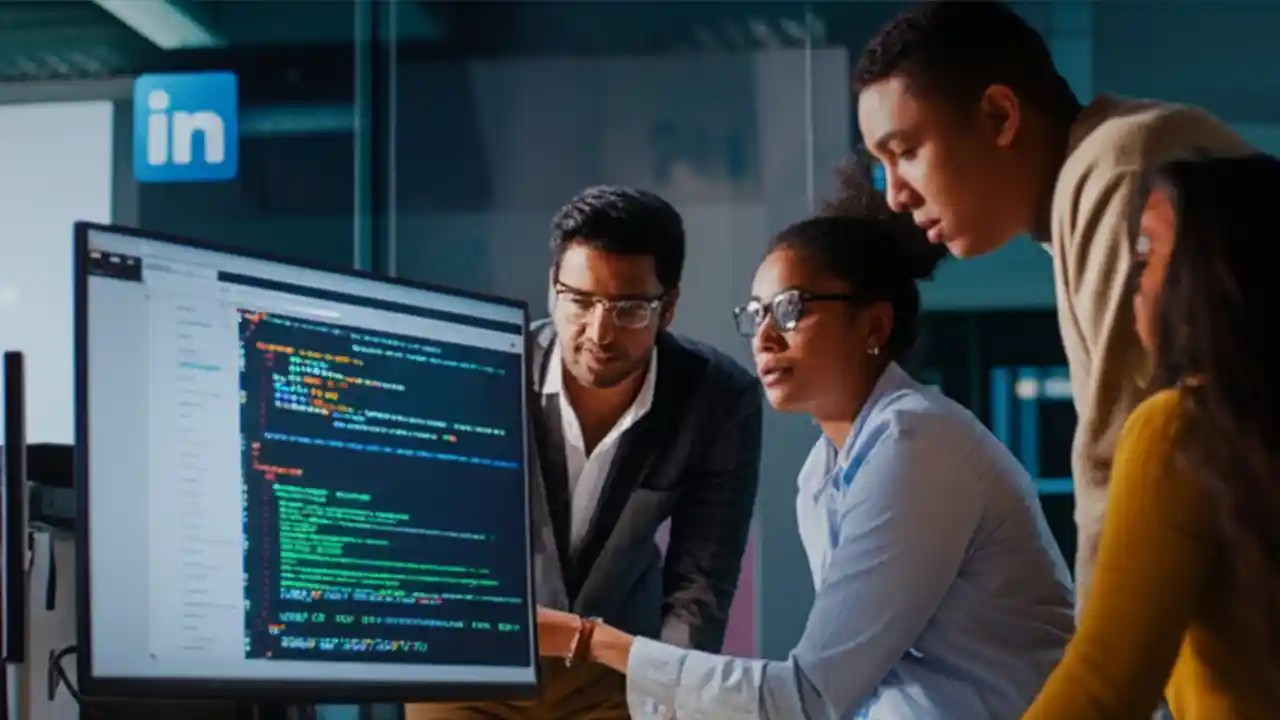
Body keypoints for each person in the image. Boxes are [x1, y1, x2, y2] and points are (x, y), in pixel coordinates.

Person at [536, 166, 1074, 719]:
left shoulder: (916, 442)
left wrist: (590, 639)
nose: (765, 338)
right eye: (757, 314)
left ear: (875, 327)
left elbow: (807, 696)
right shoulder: (821, 474)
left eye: (791, 309)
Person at [853, 0, 1255, 614]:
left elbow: (1117, 471)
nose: (897, 196)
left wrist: (1100, 662)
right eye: (882, 167)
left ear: (999, 115)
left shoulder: (1113, 167)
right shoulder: (1102, 169)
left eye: (905, 151)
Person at [406, 186, 763, 719]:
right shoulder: (486, 373)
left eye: (628, 309)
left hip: (613, 666)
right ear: (553, 286)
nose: (599, 332)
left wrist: (672, 697)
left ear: (667, 308)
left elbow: (700, 582)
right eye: (580, 301)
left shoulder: (717, 399)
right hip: (481, 655)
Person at [1021, 154, 1280, 719]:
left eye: (1146, 257)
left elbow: (1104, 687)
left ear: (1213, 274)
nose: (1131, 286)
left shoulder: (1182, 431)